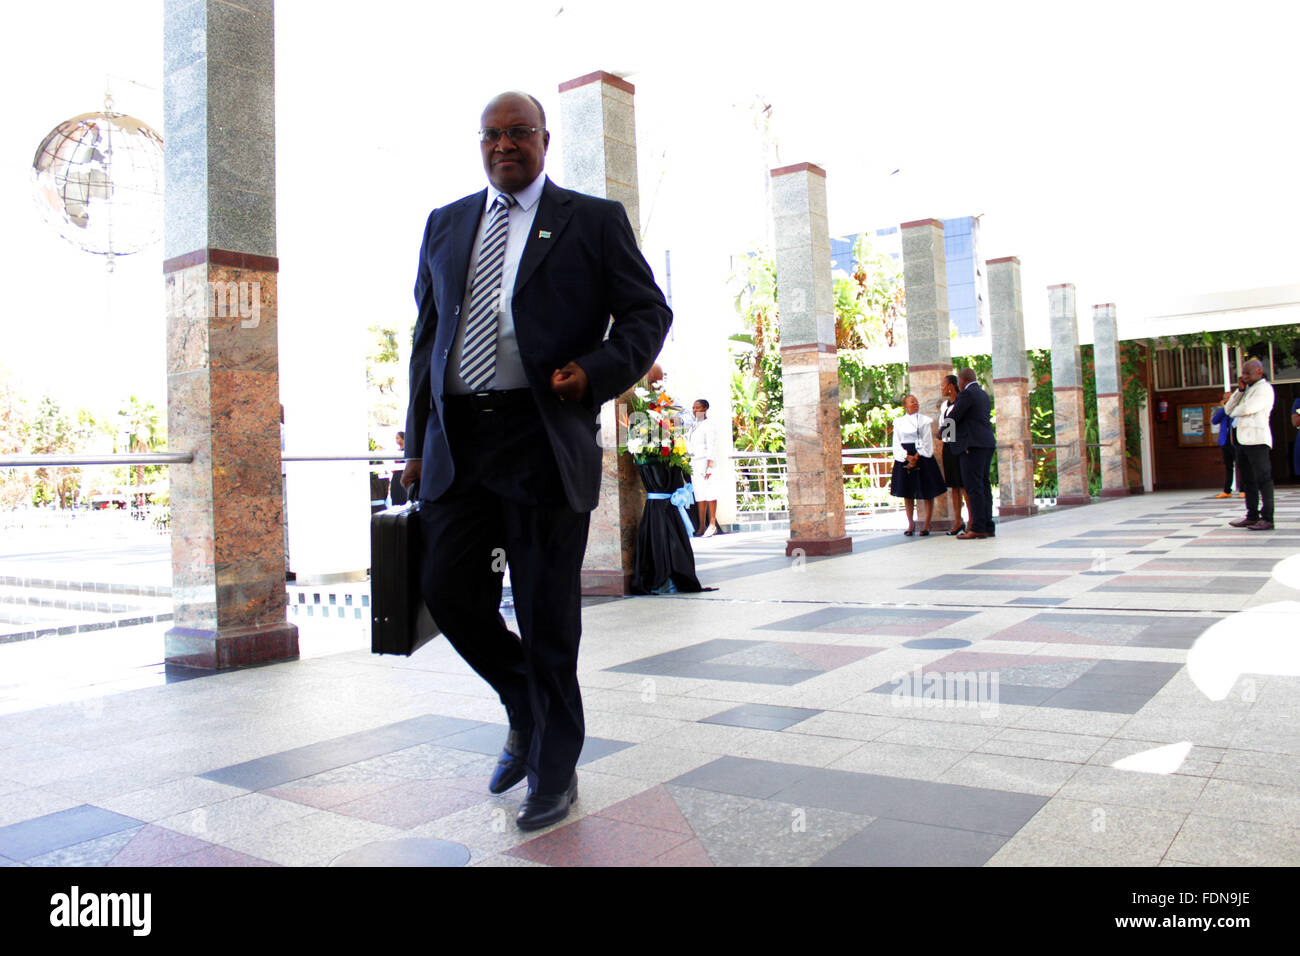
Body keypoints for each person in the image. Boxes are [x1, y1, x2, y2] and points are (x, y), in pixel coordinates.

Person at [399, 91, 671, 830]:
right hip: (460, 441)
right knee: (448, 591)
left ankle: (554, 772)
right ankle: (523, 699)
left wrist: (598, 370)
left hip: (542, 438)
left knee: (548, 613)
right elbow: (428, 337)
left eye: (519, 133)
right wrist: (417, 443)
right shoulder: (447, 223)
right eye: (491, 134)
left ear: (545, 140)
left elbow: (649, 312)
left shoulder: (592, 220)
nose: (503, 145)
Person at [1225, 358, 1275, 531]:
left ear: (1259, 371)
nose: (1244, 377)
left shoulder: (1264, 389)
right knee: (1248, 481)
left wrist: (1237, 410)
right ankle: (1251, 515)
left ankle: (1267, 518)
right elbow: (1227, 409)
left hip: (1257, 440)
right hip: (1242, 441)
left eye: (1248, 373)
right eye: (1243, 373)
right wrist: (1239, 391)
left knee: (1263, 479)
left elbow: (1247, 409)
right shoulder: (1246, 390)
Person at [947, 367, 997, 539]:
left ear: (962, 380)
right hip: (986, 443)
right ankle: (988, 525)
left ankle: (977, 527)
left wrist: (943, 433)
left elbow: (954, 415)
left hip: (972, 445)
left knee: (973, 487)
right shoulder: (982, 393)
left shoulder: (967, 394)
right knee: (984, 485)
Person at [890, 395, 946, 536]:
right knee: (907, 491)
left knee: (928, 491)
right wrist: (906, 457)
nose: (915, 403)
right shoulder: (899, 422)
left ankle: (927, 523)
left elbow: (927, 441)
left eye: (916, 401)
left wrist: (916, 456)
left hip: (922, 455)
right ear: (905, 405)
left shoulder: (924, 421)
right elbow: (896, 442)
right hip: (906, 456)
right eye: (911, 401)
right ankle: (910, 523)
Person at [937, 374, 970, 535]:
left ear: (951, 386)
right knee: (954, 486)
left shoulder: (961, 402)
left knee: (965, 484)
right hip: (948, 447)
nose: (941, 388)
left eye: (943, 385)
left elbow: (955, 424)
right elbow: (942, 427)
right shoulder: (945, 406)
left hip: (960, 445)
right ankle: (958, 520)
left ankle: (972, 520)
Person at [687, 399, 720, 537]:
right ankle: (701, 525)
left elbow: (711, 445)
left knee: (710, 493)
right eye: (693, 408)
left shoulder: (709, 425)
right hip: (695, 463)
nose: (695, 410)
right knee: (700, 495)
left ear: (705, 408)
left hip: (706, 463)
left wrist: (710, 466)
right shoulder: (693, 426)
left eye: (698, 407)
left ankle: (712, 524)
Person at [1209, 396, 1237, 499]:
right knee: (1228, 467)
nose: (1227, 400)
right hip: (1225, 441)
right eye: (1225, 398)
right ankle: (1227, 490)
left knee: (1242, 466)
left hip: (1236, 441)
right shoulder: (1223, 411)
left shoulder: (1237, 409)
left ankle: (1244, 489)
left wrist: (1230, 407)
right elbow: (1214, 420)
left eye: (1229, 398)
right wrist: (1224, 408)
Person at [389, 430, 408, 506]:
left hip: (402, 475)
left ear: (403, 439)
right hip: (396, 476)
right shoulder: (397, 451)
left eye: (398, 438)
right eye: (396, 438)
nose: (396, 440)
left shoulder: (406, 451)